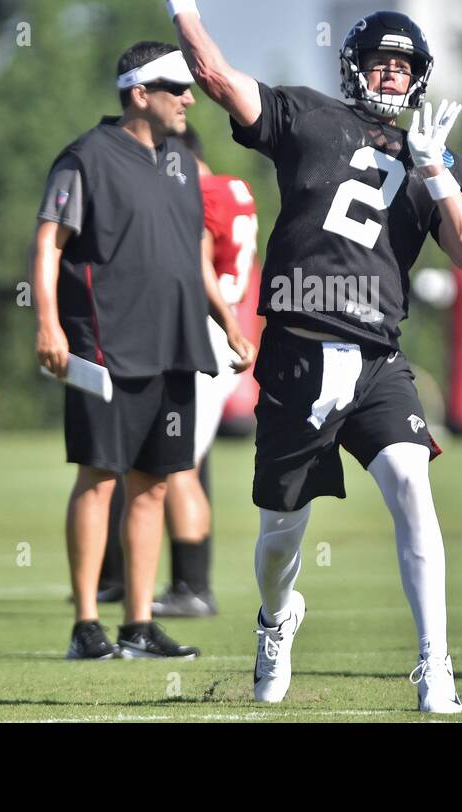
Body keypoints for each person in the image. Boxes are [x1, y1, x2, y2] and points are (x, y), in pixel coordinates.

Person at [157, 0, 462, 712]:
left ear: (419, 77)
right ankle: (277, 618)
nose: (390, 74)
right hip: (298, 352)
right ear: (353, 69)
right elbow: (215, 75)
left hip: (379, 357)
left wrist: (438, 174)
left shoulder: (431, 159)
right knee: (281, 533)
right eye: (380, 61)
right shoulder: (309, 115)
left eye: (403, 64)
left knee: (413, 487)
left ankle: (434, 662)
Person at [32, 40, 255, 660]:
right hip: (103, 346)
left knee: (154, 485)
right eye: (176, 89)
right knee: (100, 479)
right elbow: (49, 243)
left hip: (176, 346)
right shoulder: (85, 158)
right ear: (139, 94)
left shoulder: (184, 162)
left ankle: (137, 625)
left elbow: (195, 256)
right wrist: (48, 324)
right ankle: (85, 625)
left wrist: (229, 324)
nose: (189, 99)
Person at [152, 127, 259, 618]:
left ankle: (192, 587)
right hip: (222, 327)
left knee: (178, 465)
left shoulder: (195, 193)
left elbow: (196, 269)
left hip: (206, 329)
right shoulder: (236, 188)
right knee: (186, 461)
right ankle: (186, 583)